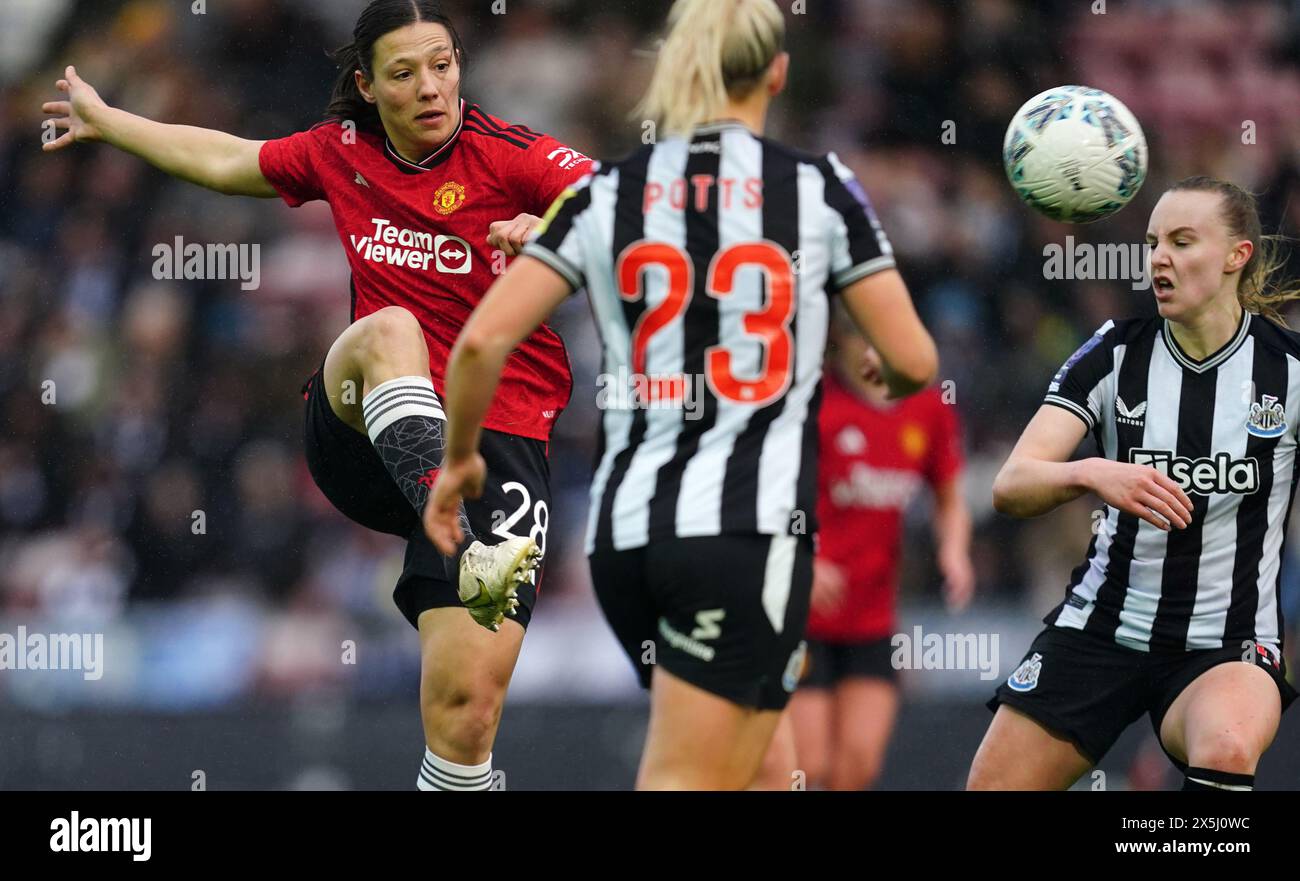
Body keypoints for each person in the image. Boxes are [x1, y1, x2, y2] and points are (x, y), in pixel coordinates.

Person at [43, 0, 595, 791]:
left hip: (497, 436)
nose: (432, 87)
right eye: (405, 73)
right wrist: (110, 121)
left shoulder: (509, 156)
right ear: (367, 86)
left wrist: (547, 233)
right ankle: (454, 524)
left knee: (467, 709)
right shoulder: (340, 152)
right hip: (365, 431)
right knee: (388, 329)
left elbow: (604, 198)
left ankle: (462, 548)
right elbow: (229, 160)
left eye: (443, 65)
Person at [424, 0, 938, 790]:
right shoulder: (817, 190)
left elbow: (483, 342)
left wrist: (460, 460)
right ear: (777, 70)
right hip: (741, 537)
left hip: (625, 541)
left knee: (771, 773)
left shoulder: (607, 193)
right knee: (687, 778)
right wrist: (881, 374)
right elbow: (911, 359)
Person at [969, 176, 1300, 791]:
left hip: (1226, 645)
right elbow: (1011, 485)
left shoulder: (1290, 371)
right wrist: (1093, 472)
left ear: (1237, 255)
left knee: (1227, 746)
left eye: (1182, 240)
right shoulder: (1114, 353)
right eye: (1153, 243)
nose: (1159, 259)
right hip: (1101, 627)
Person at [756, 315, 973, 791]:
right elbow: (762, 495)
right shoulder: (811, 407)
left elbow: (949, 495)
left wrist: (954, 552)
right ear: (842, 340)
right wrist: (799, 560)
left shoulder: (929, 410)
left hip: (872, 618)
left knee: (857, 768)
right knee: (806, 766)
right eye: (866, 336)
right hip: (801, 617)